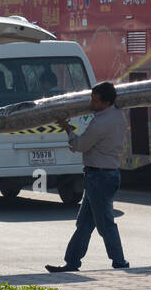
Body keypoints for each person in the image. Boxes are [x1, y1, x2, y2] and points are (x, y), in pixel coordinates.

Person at [45, 80, 130, 272]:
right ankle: (72, 262)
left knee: (105, 223)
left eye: (95, 100)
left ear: (106, 102)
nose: (91, 103)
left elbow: (80, 145)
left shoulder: (100, 122)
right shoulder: (118, 115)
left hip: (99, 177)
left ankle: (119, 261)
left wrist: (67, 129)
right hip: (105, 175)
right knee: (84, 223)